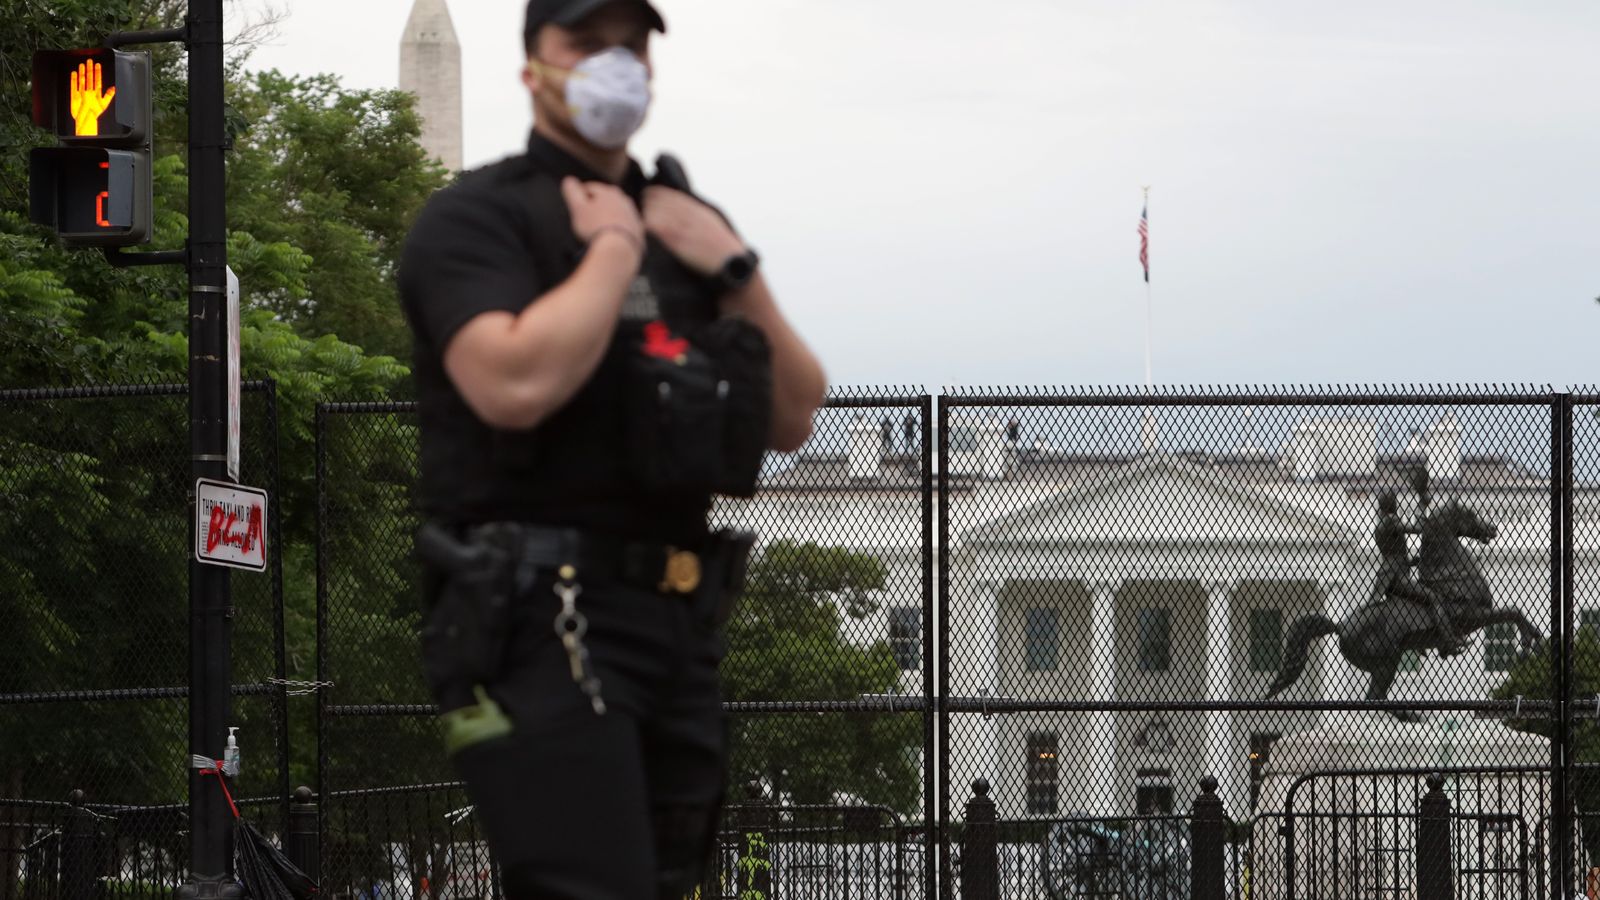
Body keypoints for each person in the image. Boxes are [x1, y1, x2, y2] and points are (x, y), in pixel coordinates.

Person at [396, 0, 828, 896]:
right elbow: (511, 384)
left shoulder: (688, 223)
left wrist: (735, 266)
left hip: (674, 617)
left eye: (631, 46)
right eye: (585, 45)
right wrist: (614, 250)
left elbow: (793, 414)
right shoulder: (476, 219)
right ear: (533, 69)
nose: (615, 65)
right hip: (536, 612)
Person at [1366, 488, 1464, 657]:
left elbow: (1392, 556)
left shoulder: (1380, 524)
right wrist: (1421, 504)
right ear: (1392, 504)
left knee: (1421, 596)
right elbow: (1418, 528)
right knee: (1434, 597)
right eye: (1394, 500)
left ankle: (1423, 637)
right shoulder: (1391, 521)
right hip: (1397, 579)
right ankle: (1449, 641)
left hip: (1389, 576)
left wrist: (1411, 562)